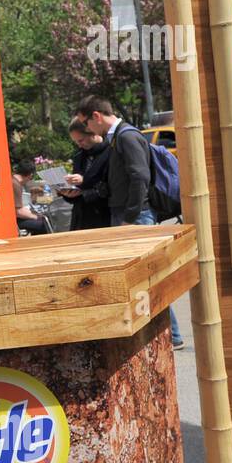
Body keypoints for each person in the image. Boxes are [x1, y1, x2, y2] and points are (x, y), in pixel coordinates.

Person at [75, 96, 184, 349]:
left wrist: (130, 217)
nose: (88, 130)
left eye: (86, 124)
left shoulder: (126, 136)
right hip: (129, 214)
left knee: (146, 278)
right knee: (142, 279)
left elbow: (139, 177)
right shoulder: (120, 137)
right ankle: (168, 335)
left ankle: (173, 335)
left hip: (135, 216)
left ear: (96, 116)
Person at [60, 118, 111, 231]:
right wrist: (67, 192)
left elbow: (111, 187)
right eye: (76, 142)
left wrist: (84, 184)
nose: (79, 145)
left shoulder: (110, 152)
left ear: (93, 133)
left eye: (81, 140)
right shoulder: (79, 156)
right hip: (80, 218)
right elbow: (77, 192)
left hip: (103, 217)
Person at [13, 160, 48, 235]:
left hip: (13, 219)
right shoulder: (15, 185)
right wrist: (37, 217)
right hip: (14, 222)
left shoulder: (12, 180)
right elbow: (18, 212)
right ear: (31, 175)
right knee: (45, 225)